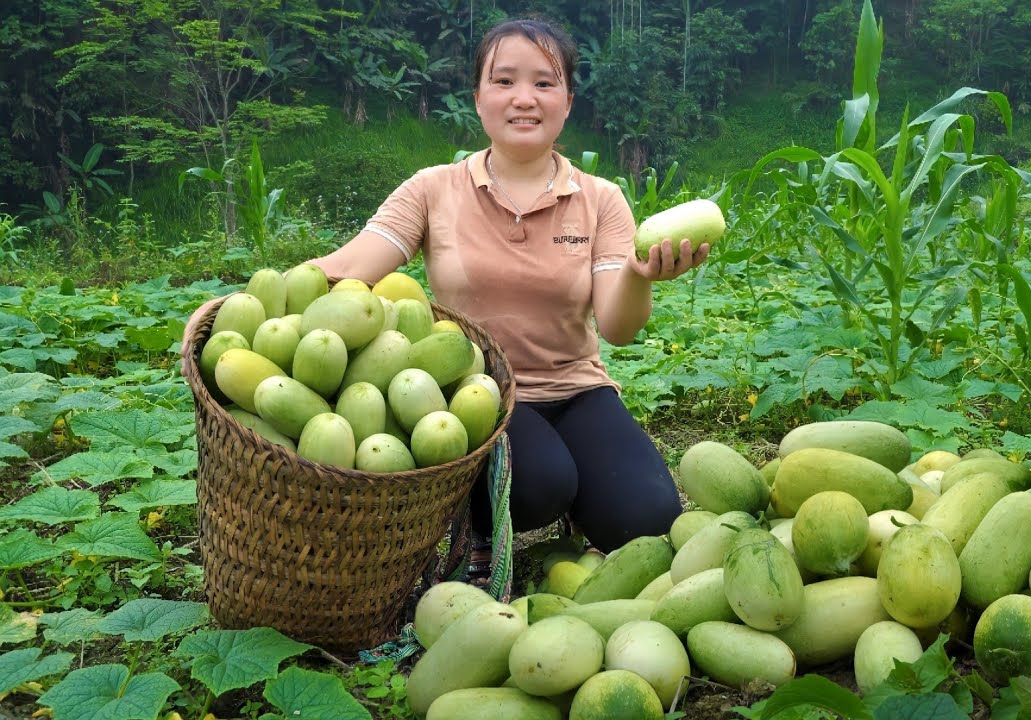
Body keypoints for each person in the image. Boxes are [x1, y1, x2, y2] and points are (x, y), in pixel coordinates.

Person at [183, 17, 709, 579]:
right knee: (542, 486)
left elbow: (618, 326)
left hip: (576, 387)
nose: (523, 98)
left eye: (544, 83)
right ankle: (484, 523)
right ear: (479, 98)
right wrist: (238, 303)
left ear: (568, 101)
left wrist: (639, 274)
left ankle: (581, 502)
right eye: (504, 81)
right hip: (473, 391)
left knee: (649, 518)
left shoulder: (601, 200)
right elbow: (346, 268)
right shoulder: (434, 189)